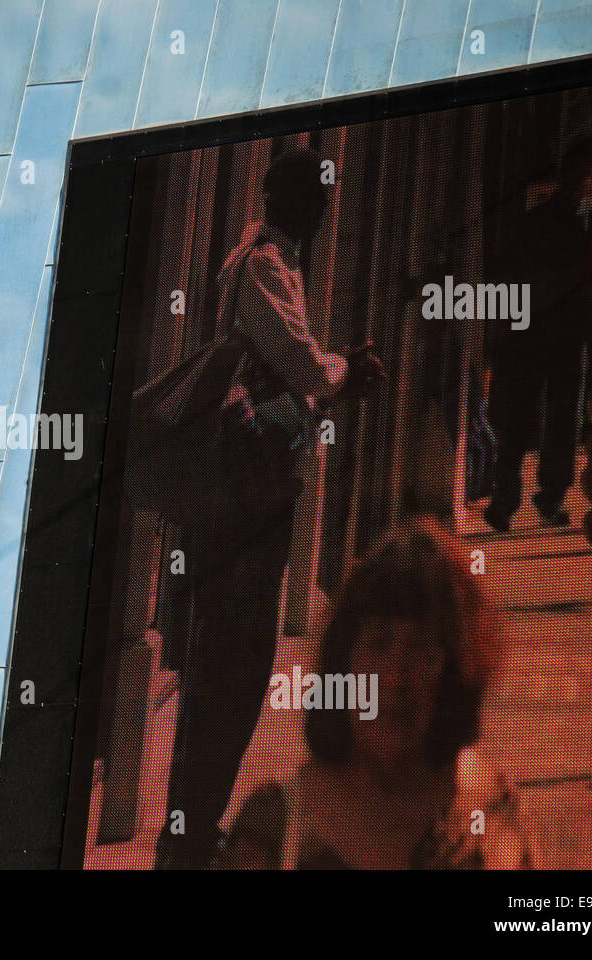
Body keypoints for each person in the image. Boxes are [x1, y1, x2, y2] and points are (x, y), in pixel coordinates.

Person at [154, 147, 385, 869]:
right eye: (312, 196)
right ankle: (187, 836)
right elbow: (305, 365)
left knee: (223, 664)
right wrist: (352, 369)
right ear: (288, 198)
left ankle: (191, 827)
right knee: (234, 663)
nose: (318, 210)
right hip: (244, 497)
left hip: (237, 493)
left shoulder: (255, 256)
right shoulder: (263, 264)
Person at [219, 518, 547, 869]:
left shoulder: (491, 821)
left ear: (455, 672)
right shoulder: (274, 830)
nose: (396, 676)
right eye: (378, 645)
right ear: (342, 665)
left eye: (422, 649)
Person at [483, 135, 592, 532]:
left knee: (564, 420)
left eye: (588, 173)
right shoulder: (536, 221)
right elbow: (509, 271)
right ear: (563, 174)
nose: (581, 180)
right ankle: (505, 499)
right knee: (519, 417)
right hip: (532, 332)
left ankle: (551, 496)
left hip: (572, 336)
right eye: (576, 171)